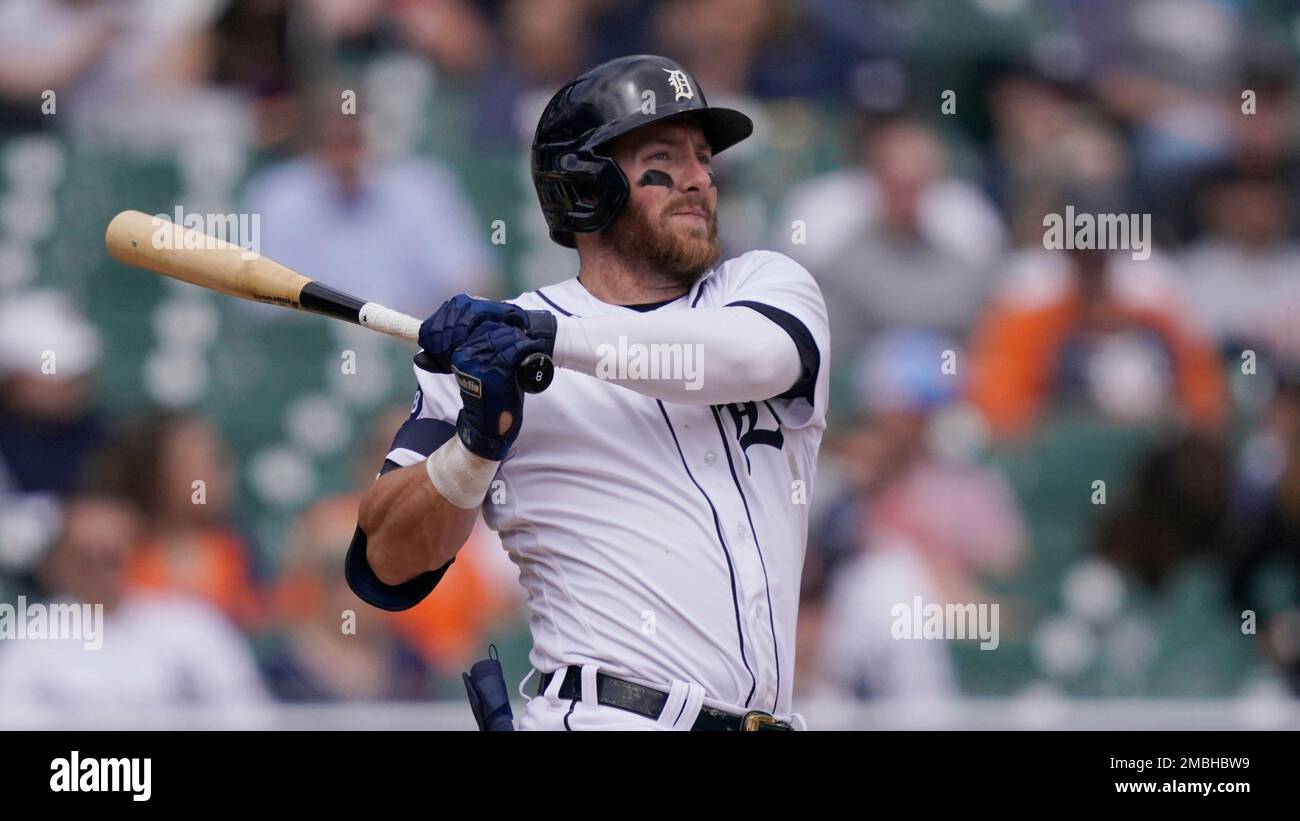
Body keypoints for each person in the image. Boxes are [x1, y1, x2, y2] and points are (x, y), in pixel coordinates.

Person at [347, 55, 829, 731]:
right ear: (585, 186)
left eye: (702, 158)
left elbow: (753, 356)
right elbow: (386, 565)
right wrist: (476, 445)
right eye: (663, 157)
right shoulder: (488, 359)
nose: (699, 179)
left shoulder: (763, 288)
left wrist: (548, 340)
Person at [0, 494, 269, 728]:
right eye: (86, 558)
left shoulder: (193, 623)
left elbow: (246, 714)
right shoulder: (33, 635)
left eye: (111, 557)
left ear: (135, 552)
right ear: (61, 561)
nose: (101, 573)